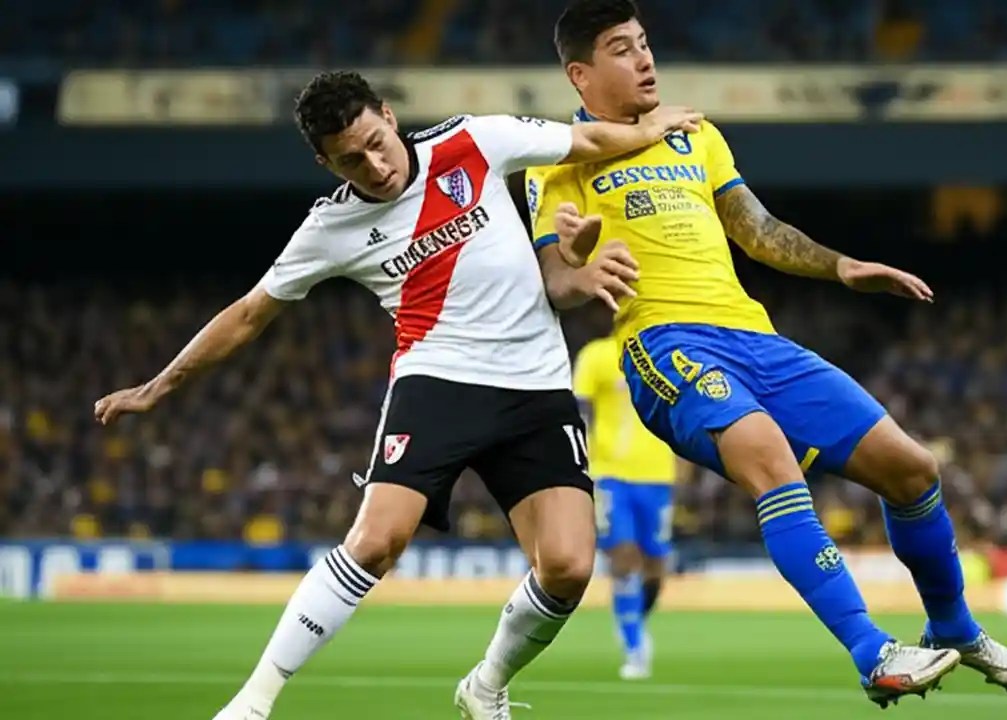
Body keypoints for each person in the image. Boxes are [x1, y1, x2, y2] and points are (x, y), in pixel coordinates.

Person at [92, 69, 701, 720]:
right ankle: (253, 702)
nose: (374, 164)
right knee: (376, 541)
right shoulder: (332, 226)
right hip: (438, 381)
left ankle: (486, 685)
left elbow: (583, 142)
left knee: (569, 568)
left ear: (388, 114)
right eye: (349, 160)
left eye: (376, 141)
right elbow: (247, 315)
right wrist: (159, 387)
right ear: (326, 162)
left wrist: (647, 127)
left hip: (535, 383)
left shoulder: (474, 140)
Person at [526, 0, 1007, 708]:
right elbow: (556, 280)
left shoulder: (694, 135)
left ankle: (952, 627)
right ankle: (873, 652)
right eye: (622, 49)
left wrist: (840, 266)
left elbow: (757, 229)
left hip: (756, 340)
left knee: (913, 469)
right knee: (767, 457)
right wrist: (581, 269)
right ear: (580, 73)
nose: (645, 58)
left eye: (645, 43)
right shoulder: (555, 156)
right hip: (664, 345)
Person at [573, 306, 697, 679]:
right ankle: (634, 644)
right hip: (610, 473)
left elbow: (685, 413)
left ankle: (630, 616)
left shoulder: (669, 357)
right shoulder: (596, 356)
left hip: (657, 474)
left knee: (657, 567)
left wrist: (687, 463)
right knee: (623, 557)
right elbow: (580, 411)